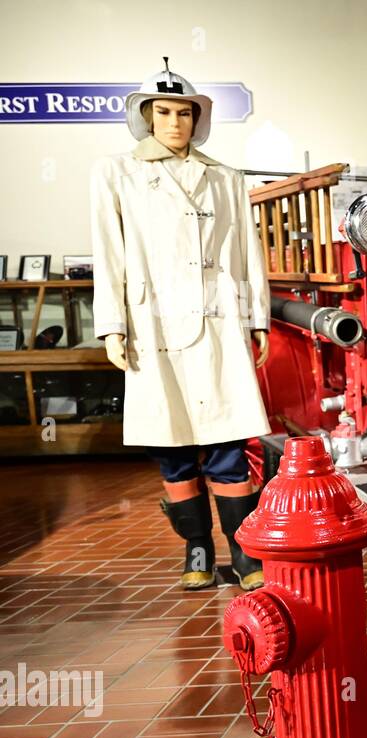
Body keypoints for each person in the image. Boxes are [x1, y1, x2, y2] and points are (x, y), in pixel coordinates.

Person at [91, 59, 271, 590]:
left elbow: (247, 254)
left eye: (184, 112)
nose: (174, 122)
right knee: (171, 444)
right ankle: (196, 549)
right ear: (147, 116)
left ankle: (243, 554)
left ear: (198, 118)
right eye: (164, 111)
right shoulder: (116, 173)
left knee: (229, 442)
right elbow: (108, 254)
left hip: (218, 325)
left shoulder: (225, 178)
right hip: (154, 325)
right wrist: (112, 327)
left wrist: (256, 317)